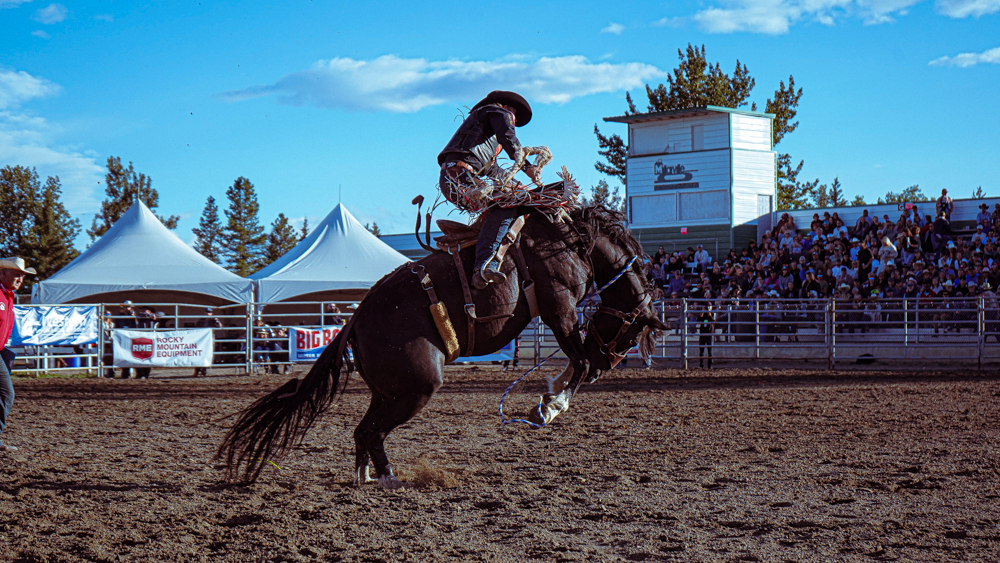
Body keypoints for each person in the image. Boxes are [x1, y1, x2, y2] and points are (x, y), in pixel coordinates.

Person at [437, 90, 539, 289]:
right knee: (507, 204)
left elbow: (491, 169)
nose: (513, 123)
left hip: (457, 177)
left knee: (511, 198)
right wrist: (527, 166)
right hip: (458, 176)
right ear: (509, 108)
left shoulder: (483, 135)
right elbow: (508, 137)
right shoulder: (498, 112)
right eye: (514, 118)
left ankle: (482, 247)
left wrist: (518, 185)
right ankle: (486, 263)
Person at [0, 257, 36, 452]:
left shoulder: (8, 296)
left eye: (22, 276)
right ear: (4, 273)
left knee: (5, 394)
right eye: (17, 274)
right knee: (6, 394)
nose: (20, 279)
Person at [194, 307, 222, 377]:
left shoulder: (214, 320)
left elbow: (219, 326)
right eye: (206, 312)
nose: (207, 314)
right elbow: (196, 327)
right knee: (199, 354)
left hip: (210, 338)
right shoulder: (201, 320)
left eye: (209, 312)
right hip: (202, 339)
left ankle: (204, 370)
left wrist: (215, 320)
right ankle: (197, 370)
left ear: (211, 313)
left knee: (207, 354)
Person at [696, 301, 715, 369]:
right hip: (702, 333)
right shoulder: (703, 315)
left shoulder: (712, 314)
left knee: (710, 351)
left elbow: (712, 321)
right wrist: (702, 313)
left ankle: (710, 365)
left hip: (709, 334)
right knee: (701, 351)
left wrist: (709, 313)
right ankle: (701, 365)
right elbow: (698, 320)